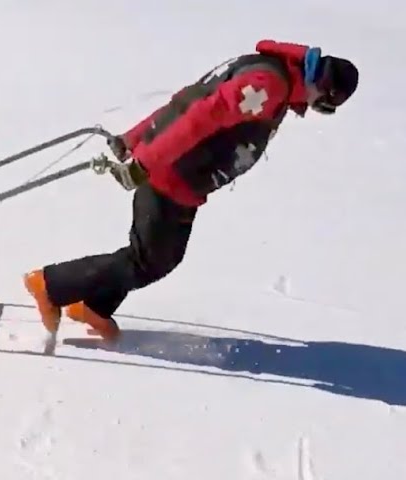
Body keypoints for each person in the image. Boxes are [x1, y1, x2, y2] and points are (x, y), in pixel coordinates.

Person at [23, 40, 359, 341]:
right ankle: (51, 285)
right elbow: (199, 116)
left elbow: (183, 102)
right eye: (320, 104)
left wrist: (134, 137)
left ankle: (95, 307)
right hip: (171, 172)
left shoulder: (268, 72)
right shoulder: (268, 85)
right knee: (150, 260)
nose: (310, 108)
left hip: (182, 175)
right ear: (324, 89)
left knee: (157, 254)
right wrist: (147, 161)